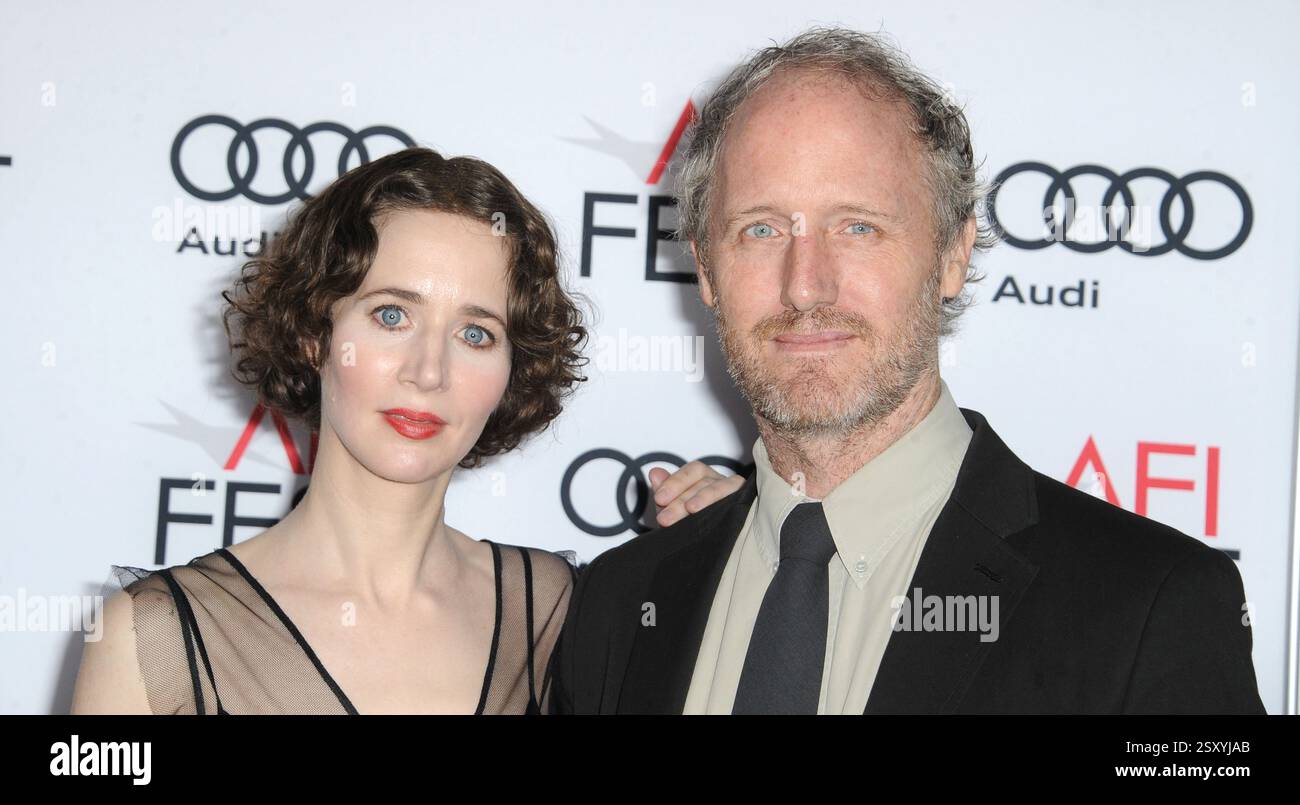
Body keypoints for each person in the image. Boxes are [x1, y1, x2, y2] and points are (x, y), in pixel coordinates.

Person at [548, 26, 1268, 714]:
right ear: (705, 268)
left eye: (857, 226)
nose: (806, 285)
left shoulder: (1149, 608)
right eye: (761, 229)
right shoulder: (619, 603)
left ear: (954, 253)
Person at [70, 146, 741, 715]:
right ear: (314, 333)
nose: (429, 370)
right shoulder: (153, 637)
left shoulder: (559, 614)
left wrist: (728, 561)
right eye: (392, 315)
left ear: (513, 368)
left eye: (476, 333)